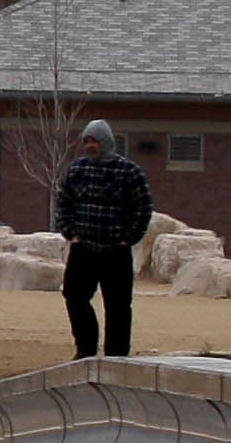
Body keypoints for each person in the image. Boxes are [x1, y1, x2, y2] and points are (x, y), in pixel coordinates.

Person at [52, 118, 156, 360]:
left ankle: (116, 355)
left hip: (115, 251)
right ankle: (86, 349)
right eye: (87, 141)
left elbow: (143, 207)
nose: (90, 146)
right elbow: (64, 204)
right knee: (74, 296)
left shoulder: (129, 172)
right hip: (83, 248)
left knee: (118, 306)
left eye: (95, 141)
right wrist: (70, 232)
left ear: (106, 142)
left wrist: (128, 238)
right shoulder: (77, 170)